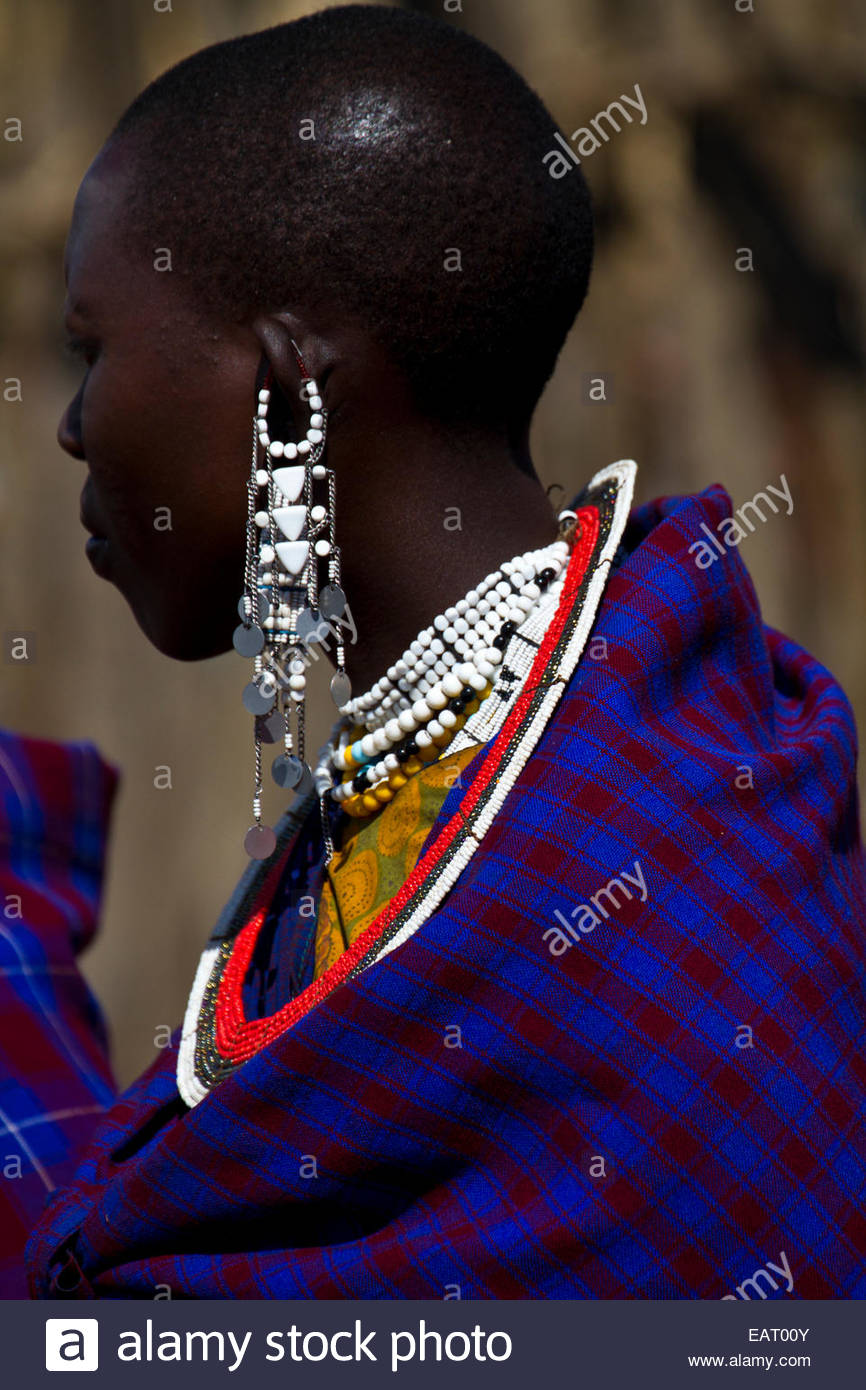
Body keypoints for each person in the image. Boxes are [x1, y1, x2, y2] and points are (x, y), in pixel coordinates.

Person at [4, 4, 865, 1298]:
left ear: (283, 388)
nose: (71, 428)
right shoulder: (507, 773)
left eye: (92, 351)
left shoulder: (631, 871)